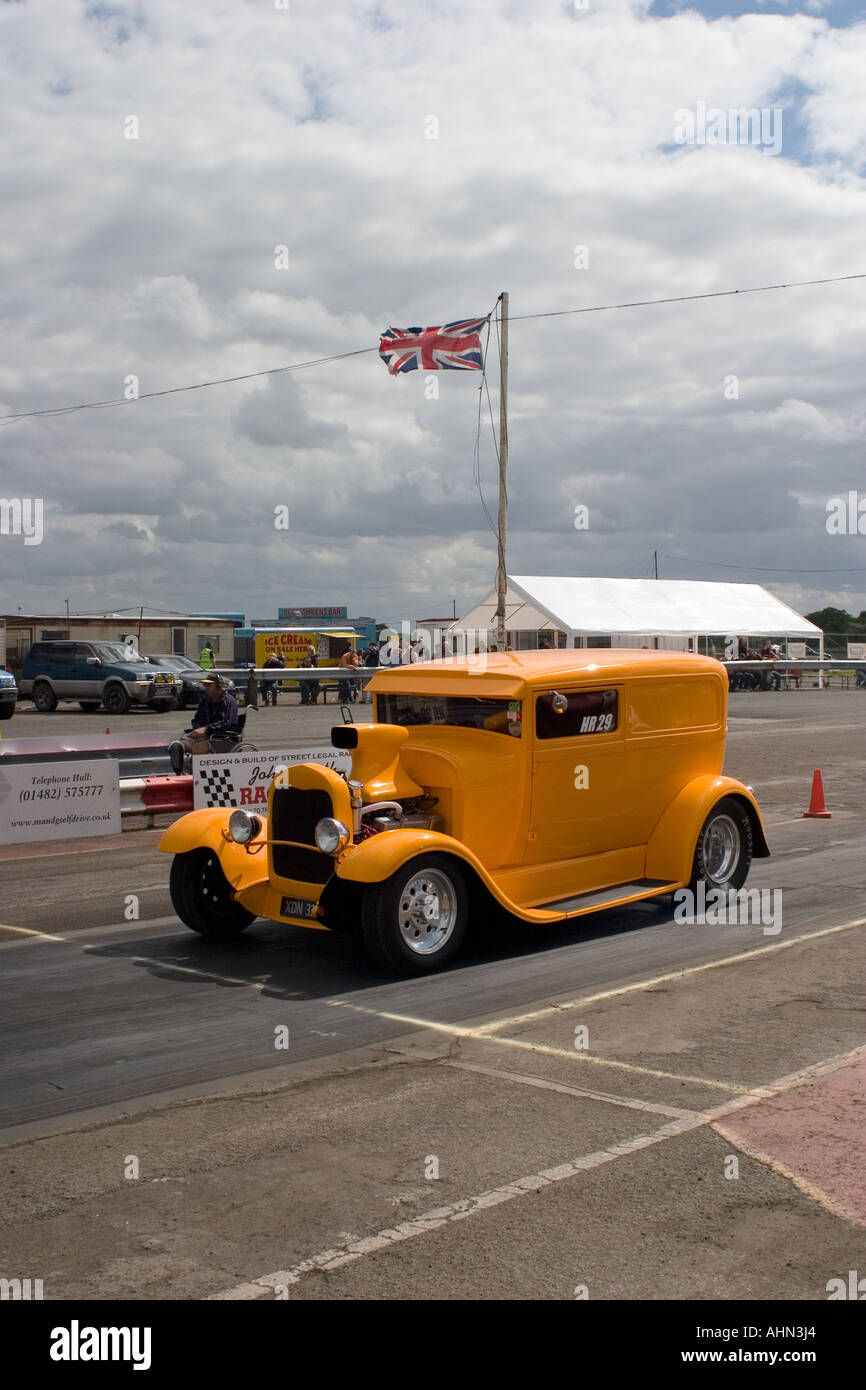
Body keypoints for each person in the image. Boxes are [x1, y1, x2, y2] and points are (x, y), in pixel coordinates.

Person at [169, 673, 240, 771]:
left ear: (218, 686)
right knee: (176, 746)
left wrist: (206, 729)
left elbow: (225, 723)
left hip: (225, 738)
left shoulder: (228, 701)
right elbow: (196, 719)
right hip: (206, 737)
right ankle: (179, 774)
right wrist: (198, 730)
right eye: (205, 685)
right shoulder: (205, 701)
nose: (206, 688)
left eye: (209, 685)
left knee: (197, 748)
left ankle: (194, 777)